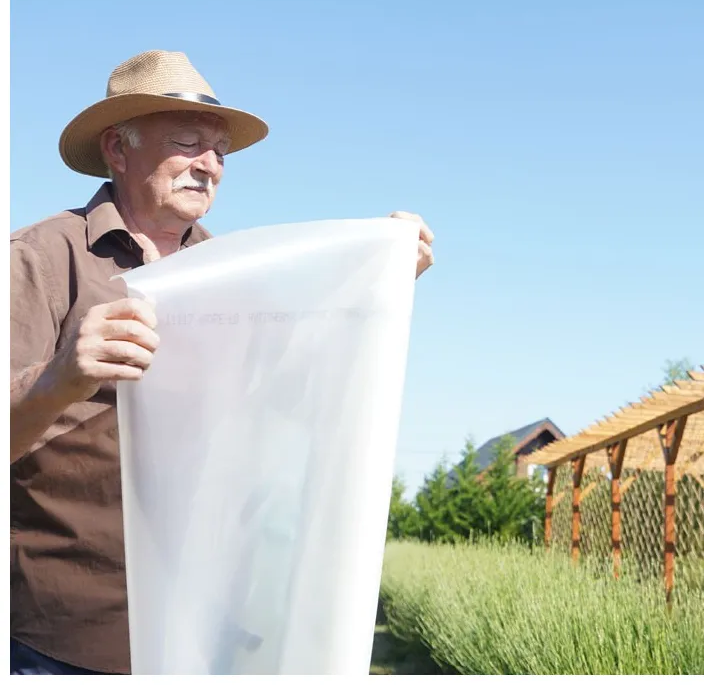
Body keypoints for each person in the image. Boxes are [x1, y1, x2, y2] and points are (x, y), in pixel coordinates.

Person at [9, 50, 434, 675]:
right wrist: (59, 377)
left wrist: (381, 281)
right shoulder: (39, 260)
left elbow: (307, 398)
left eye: (220, 152)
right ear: (118, 149)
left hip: (206, 634)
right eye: (188, 142)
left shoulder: (236, 279)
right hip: (61, 638)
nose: (210, 165)